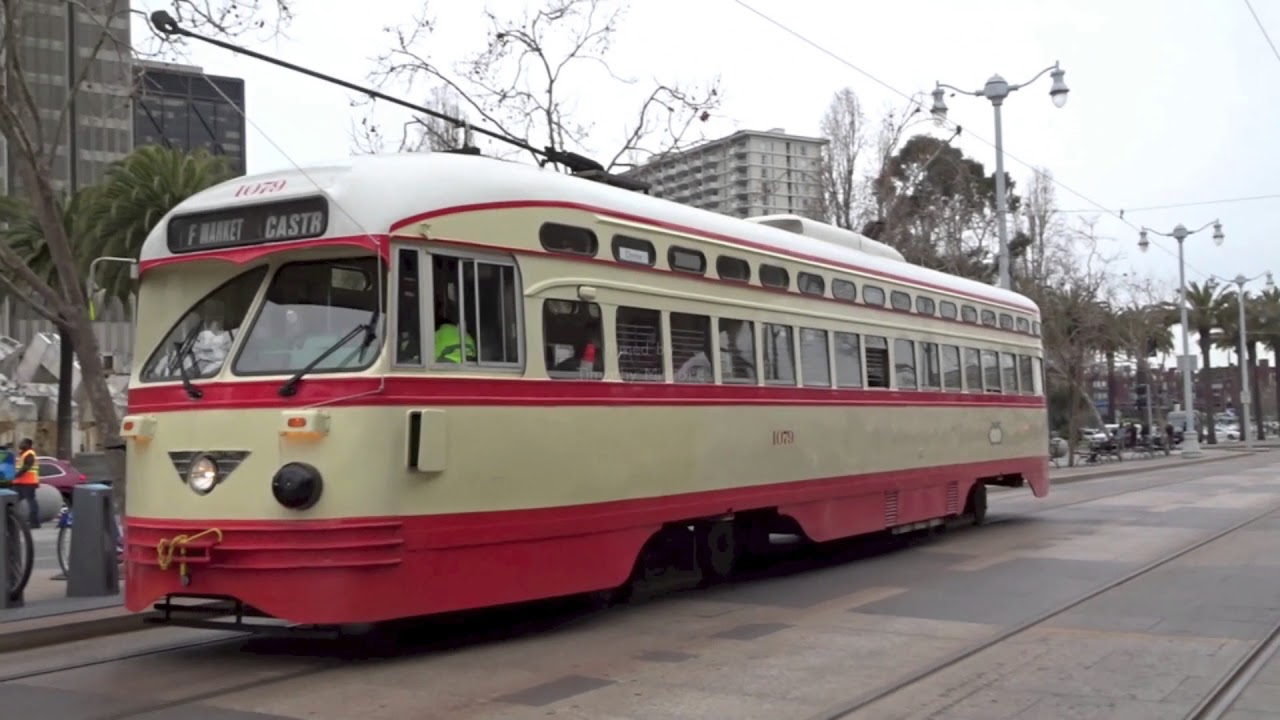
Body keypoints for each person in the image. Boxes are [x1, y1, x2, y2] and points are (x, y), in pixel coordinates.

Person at [13, 438, 39, 529]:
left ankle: (34, 522)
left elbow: (26, 467)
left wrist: (16, 475)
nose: (20, 444)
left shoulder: (30, 454)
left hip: (28, 482)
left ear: (28, 444)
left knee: (31, 502)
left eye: (22, 443)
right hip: (19, 482)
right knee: (13, 501)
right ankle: (11, 520)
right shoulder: (23, 454)